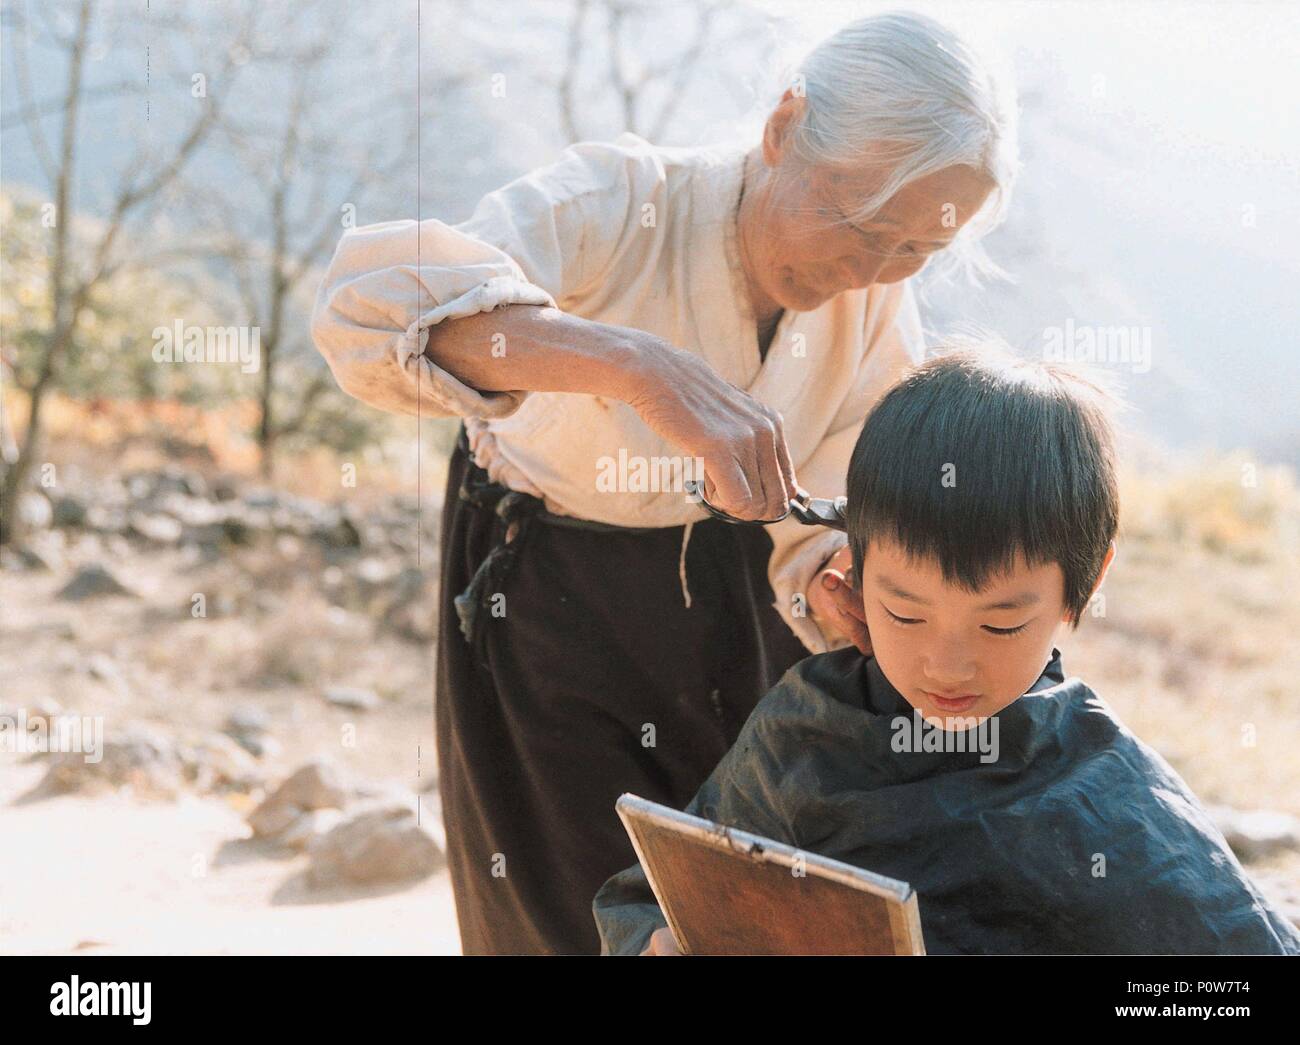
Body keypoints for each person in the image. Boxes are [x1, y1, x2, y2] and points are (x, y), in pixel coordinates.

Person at [310, 13, 1018, 954]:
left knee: (724, 905)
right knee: (572, 912)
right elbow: (372, 312)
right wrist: (634, 365)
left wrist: (832, 574)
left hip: (735, 601)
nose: (871, 272)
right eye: (861, 227)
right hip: (549, 590)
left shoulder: (875, 298)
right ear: (783, 127)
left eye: (915, 251)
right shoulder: (622, 200)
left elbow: (844, 488)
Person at [593, 347, 1300, 955]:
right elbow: (646, 898)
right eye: (905, 612)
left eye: (1000, 624)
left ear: (1085, 584)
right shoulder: (805, 733)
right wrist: (656, 941)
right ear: (854, 580)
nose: (948, 665)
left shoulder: (1105, 793)